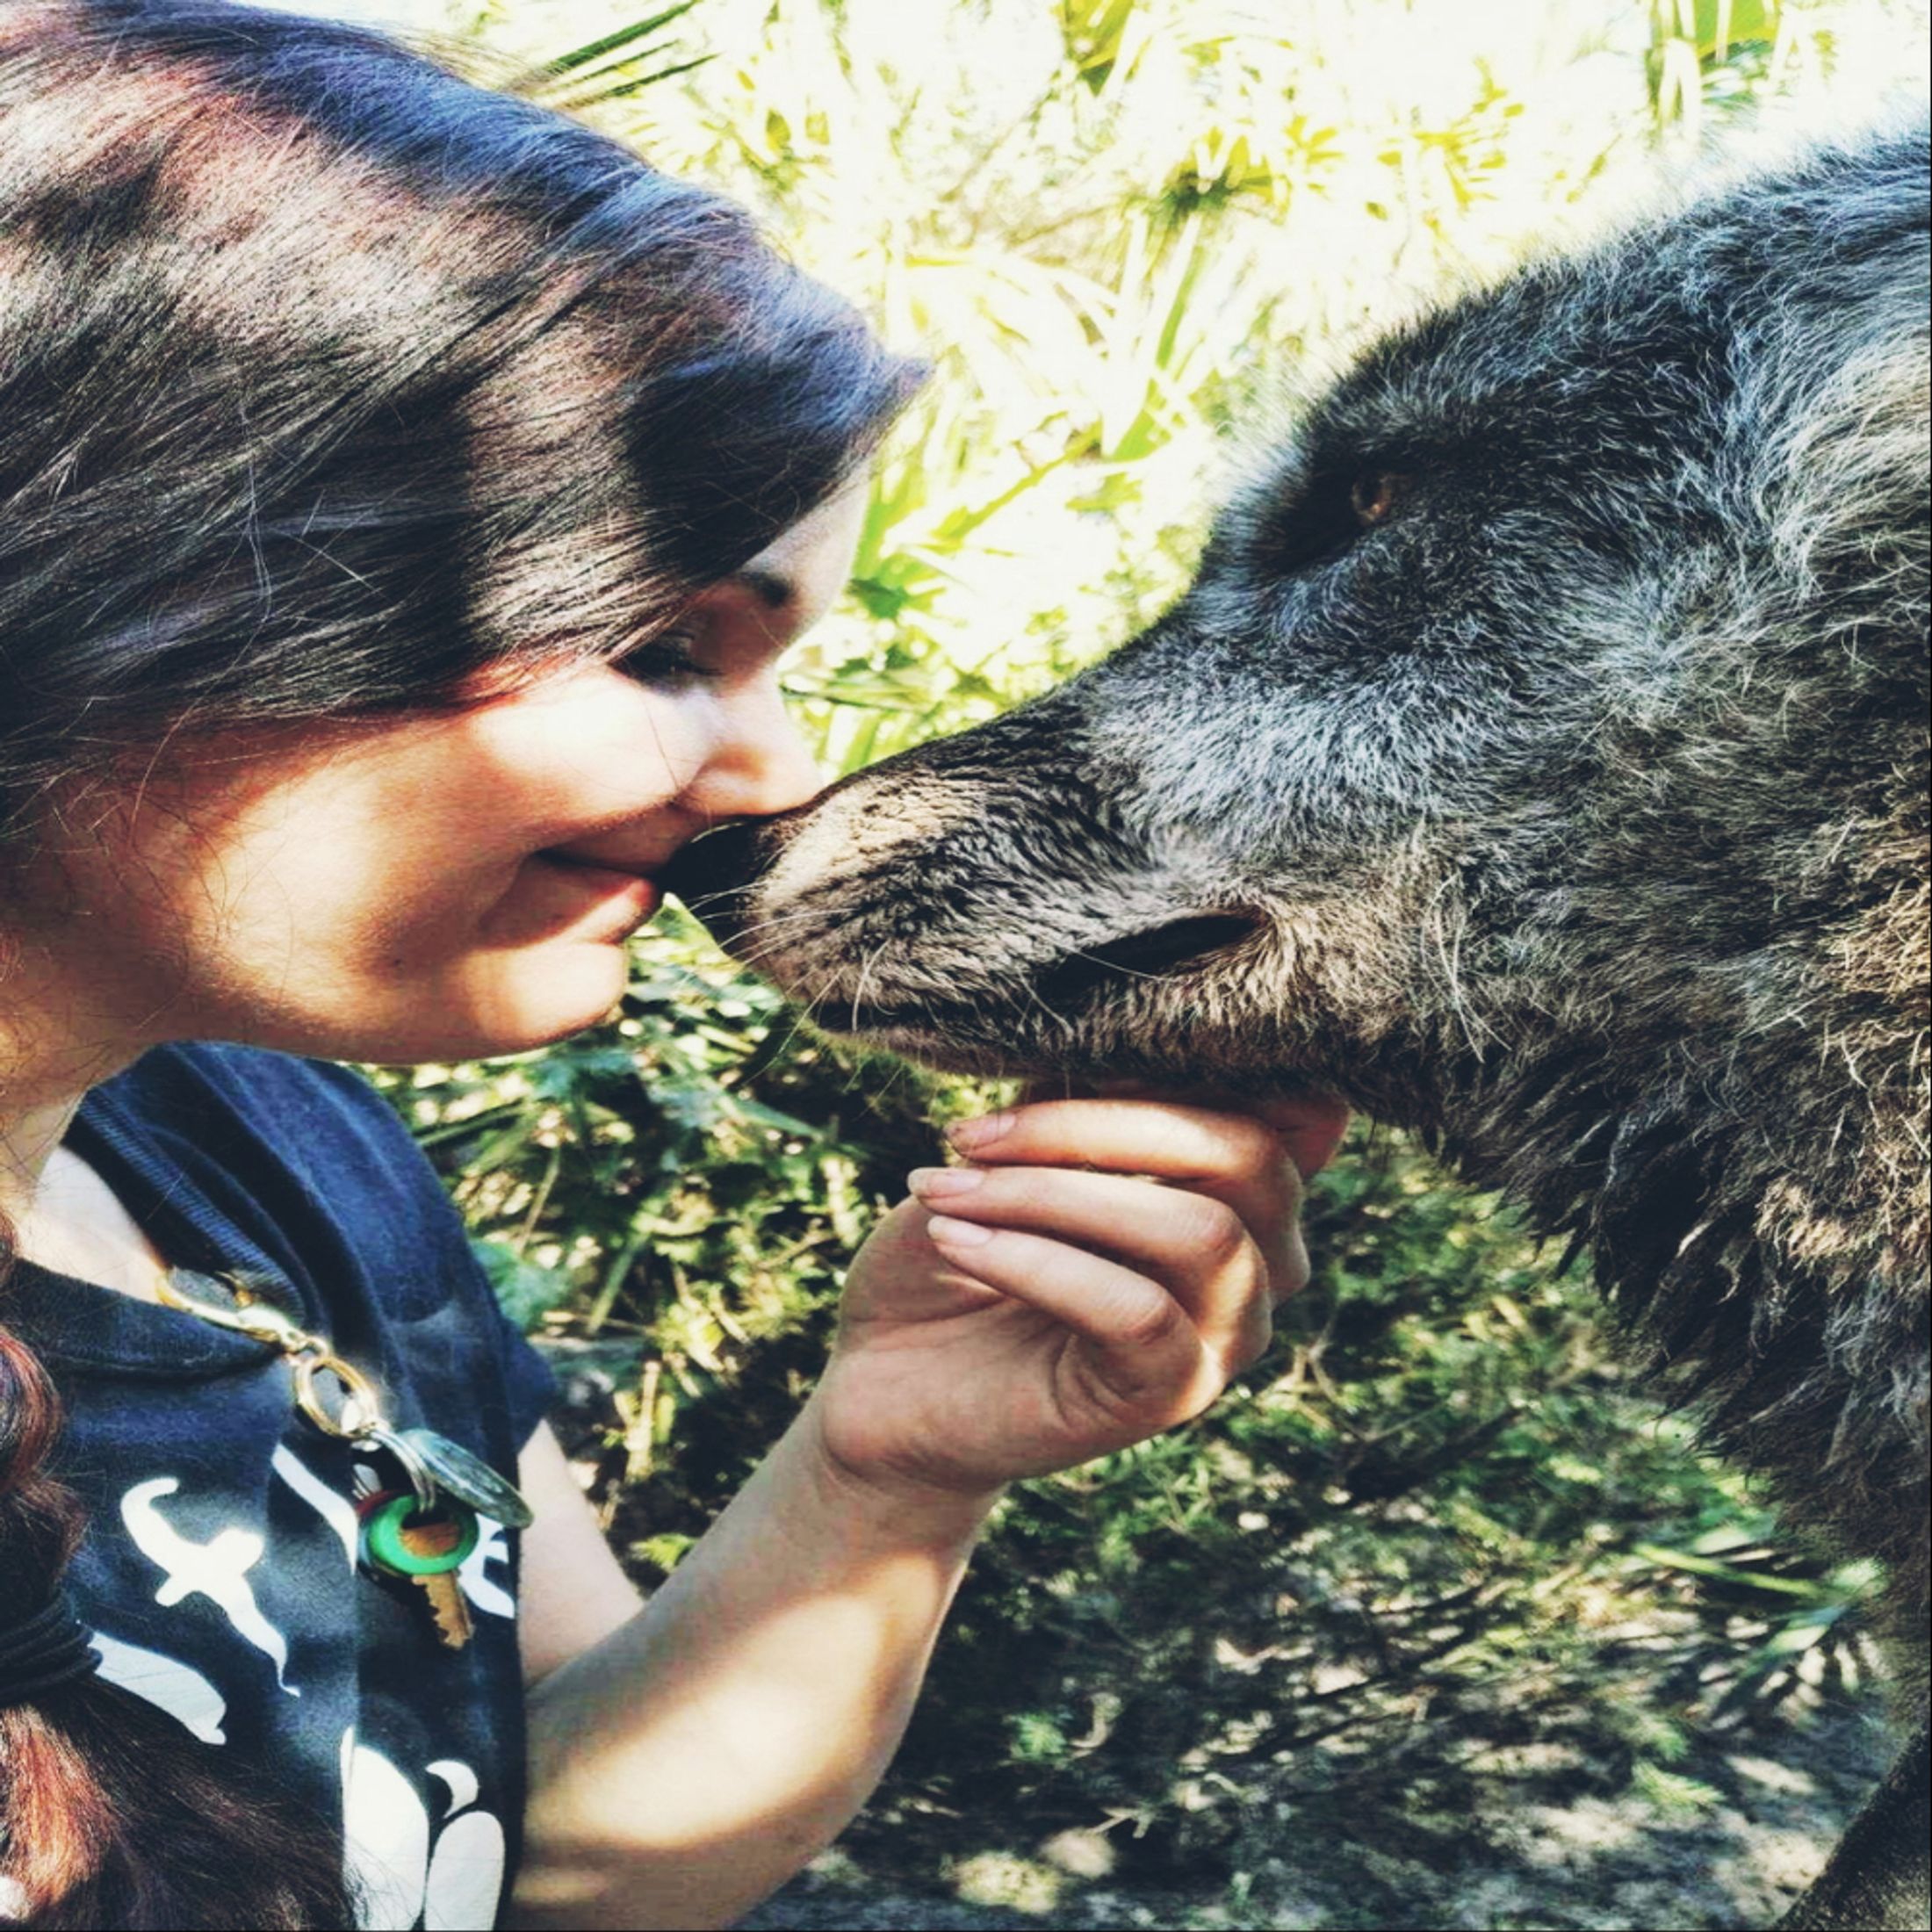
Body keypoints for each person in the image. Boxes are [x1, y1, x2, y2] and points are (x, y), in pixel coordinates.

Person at [0, 4, 1348, 1927]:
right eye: (660, 649)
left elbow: (531, 1861)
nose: (779, 782)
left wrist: (886, 1470)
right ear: (122, 568)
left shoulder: (271, 1143)